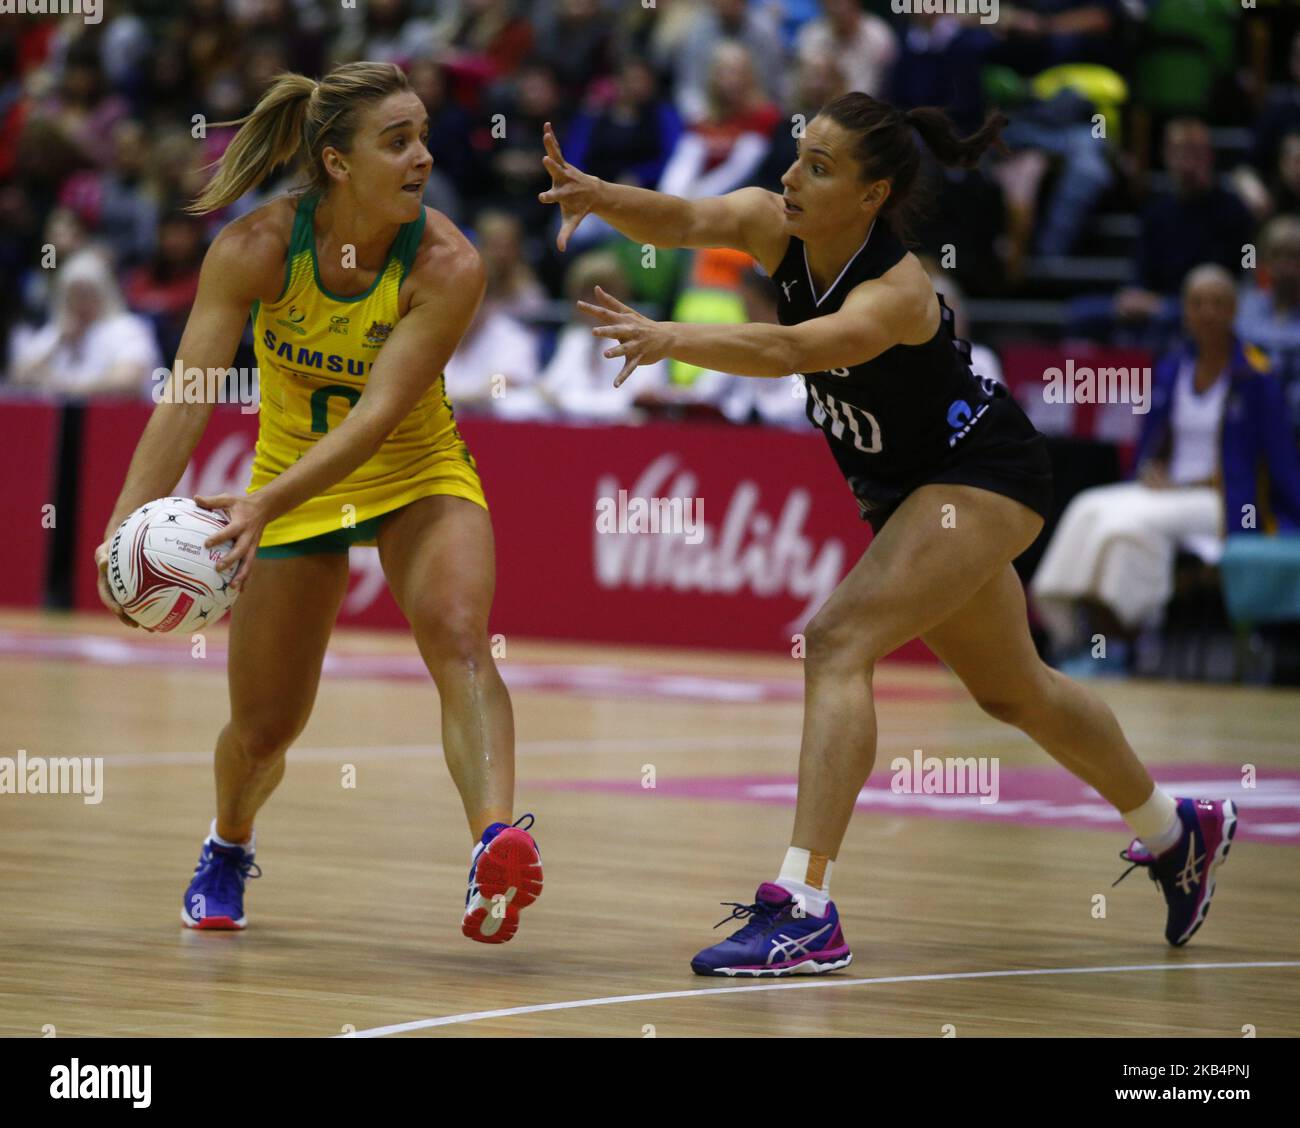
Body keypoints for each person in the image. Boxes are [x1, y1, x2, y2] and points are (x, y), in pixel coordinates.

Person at [539, 94, 1238, 975]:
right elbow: (681, 216)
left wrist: (667, 336)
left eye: (821, 168)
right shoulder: (772, 221)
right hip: (904, 488)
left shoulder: (898, 292)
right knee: (1015, 690)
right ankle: (1178, 830)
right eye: (799, 156)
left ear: (872, 197)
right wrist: (596, 193)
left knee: (836, 642)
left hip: (982, 474)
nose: (791, 177)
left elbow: (795, 353)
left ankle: (804, 907)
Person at [91, 63, 541, 944]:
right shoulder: (258, 248)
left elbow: (377, 422)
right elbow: (190, 395)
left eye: (422, 137)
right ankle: (228, 842)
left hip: (413, 471)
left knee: (458, 633)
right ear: (337, 162)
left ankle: (495, 846)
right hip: (293, 481)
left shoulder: (448, 263)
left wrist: (258, 506)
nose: (422, 158)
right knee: (264, 731)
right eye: (397, 141)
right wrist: (120, 531)